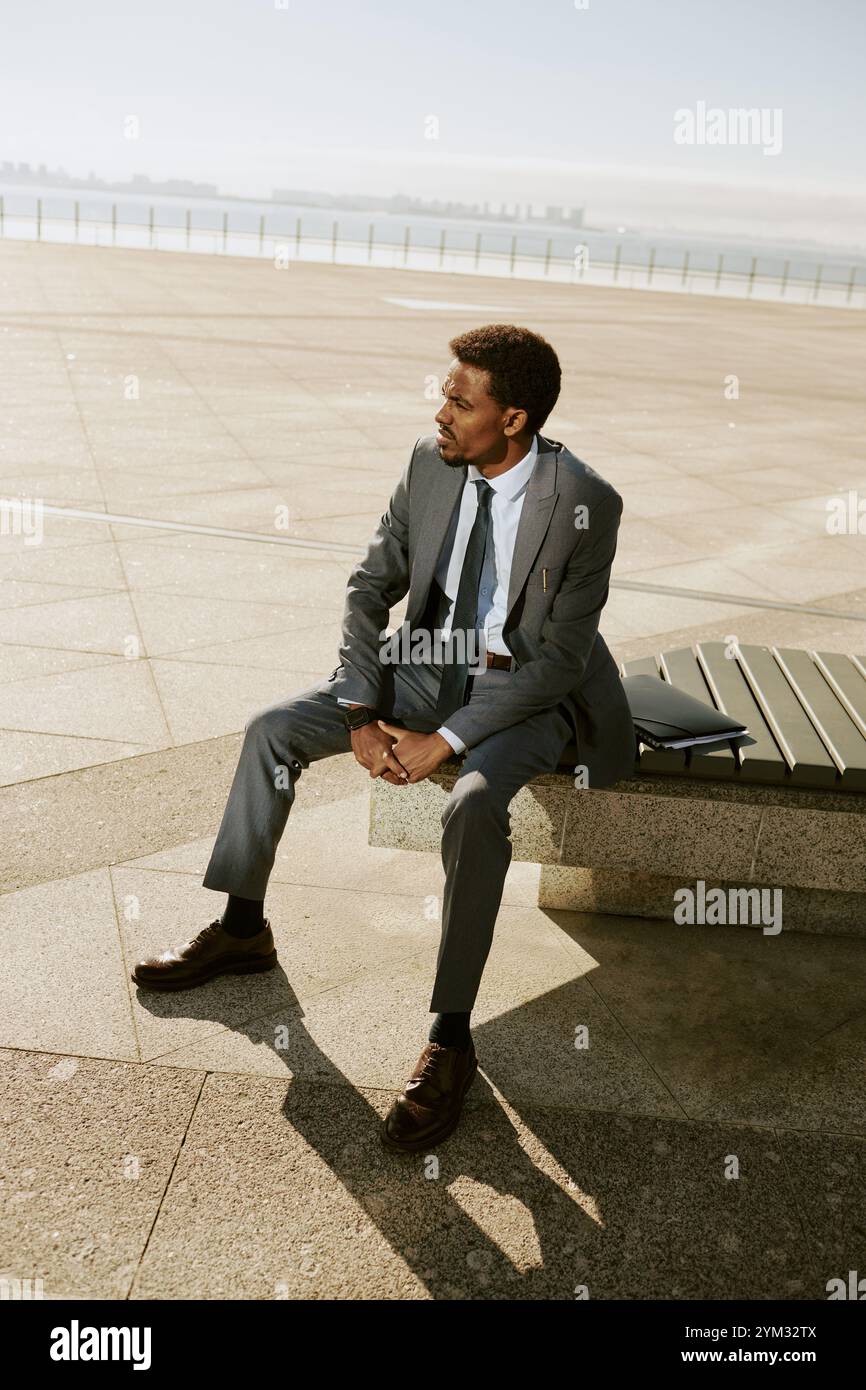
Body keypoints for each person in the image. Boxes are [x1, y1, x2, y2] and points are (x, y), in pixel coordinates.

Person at [131, 323, 636, 1153]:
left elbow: (559, 661)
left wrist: (445, 739)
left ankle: (451, 1035)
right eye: (444, 395)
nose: (441, 412)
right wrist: (363, 715)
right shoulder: (429, 465)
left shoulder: (584, 501)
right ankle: (243, 926)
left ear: (513, 420)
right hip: (420, 665)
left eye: (459, 400)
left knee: (473, 807)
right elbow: (370, 590)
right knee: (272, 731)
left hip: (525, 695)